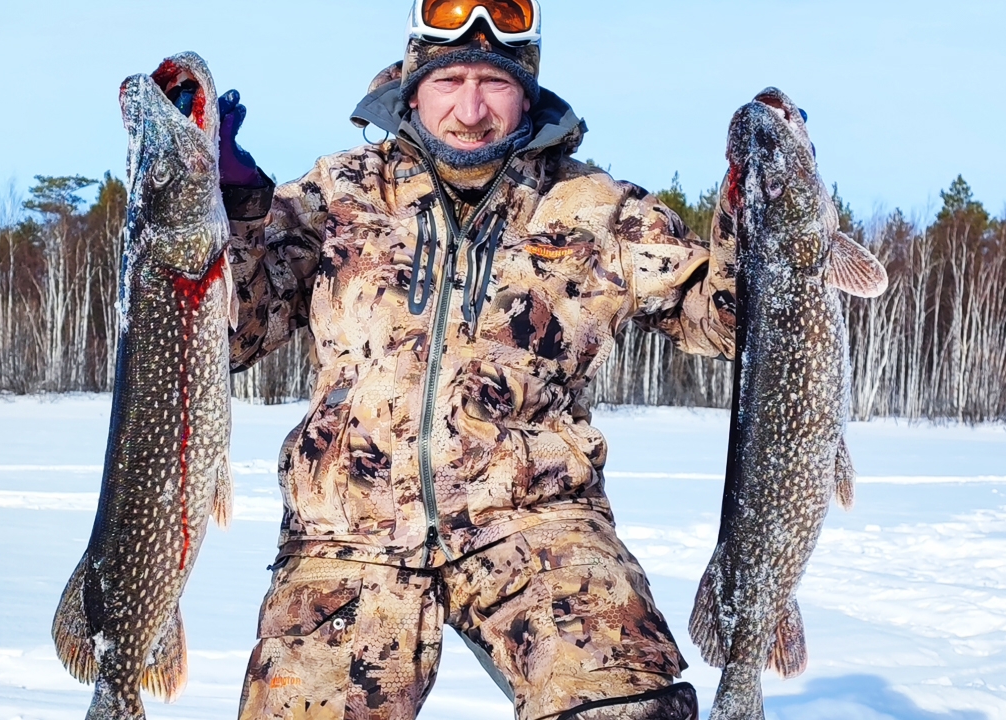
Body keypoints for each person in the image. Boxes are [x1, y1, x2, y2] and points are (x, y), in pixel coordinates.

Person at [200, 1, 736, 718]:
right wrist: (231, 208)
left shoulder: (595, 209)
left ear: (530, 89)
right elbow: (236, 335)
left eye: (496, 82)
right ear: (413, 84)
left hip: (538, 523)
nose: (471, 109)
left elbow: (723, 321)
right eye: (450, 79)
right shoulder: (337, 198)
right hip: (347, 538)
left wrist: (751, 218)